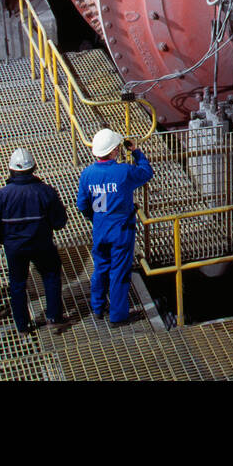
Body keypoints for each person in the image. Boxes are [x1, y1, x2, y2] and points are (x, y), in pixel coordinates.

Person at [0, 148, 68, 335]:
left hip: (14, 249)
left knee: (17, 284)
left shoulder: (0, 196)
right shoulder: (45, 192)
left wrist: (5, 239)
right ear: (34, 168)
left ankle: (22, 326)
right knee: (51, 276)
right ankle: (54, 319)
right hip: (42, 245)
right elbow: (59, 222)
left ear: (10, 170)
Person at [77, 129, 154, 325]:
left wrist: (94, 218)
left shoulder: (87, 174)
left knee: (100, 268)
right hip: (121, 229)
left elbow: (82, 205)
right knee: (119, 271)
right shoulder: (123, 172)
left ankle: (97, 307)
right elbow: (146, 172)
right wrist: (136, 152)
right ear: (113, 152)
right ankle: (118, 316)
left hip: (100, 228)